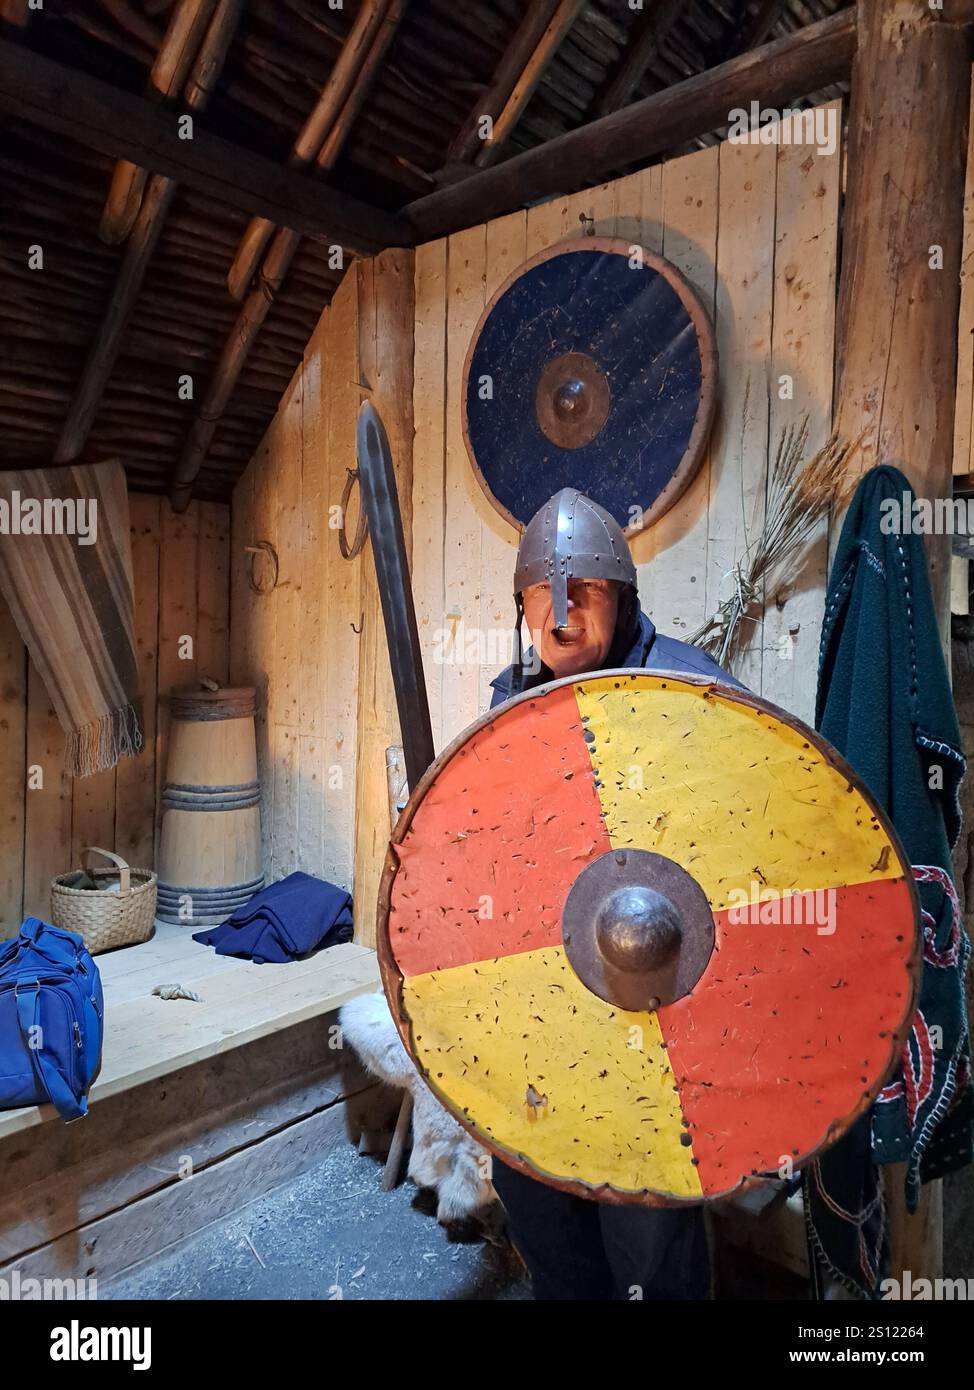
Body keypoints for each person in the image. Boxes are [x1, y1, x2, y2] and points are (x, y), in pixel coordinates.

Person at [487, 487, 744, 1301]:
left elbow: (749, 860)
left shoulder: (693, 693)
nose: (559, 613)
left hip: (657, 1011)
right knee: (539, 1206)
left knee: (649, 1236)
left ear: (621, 596)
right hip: (543, 1010)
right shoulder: (507, 704)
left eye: (583, 591)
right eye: (541, 594)